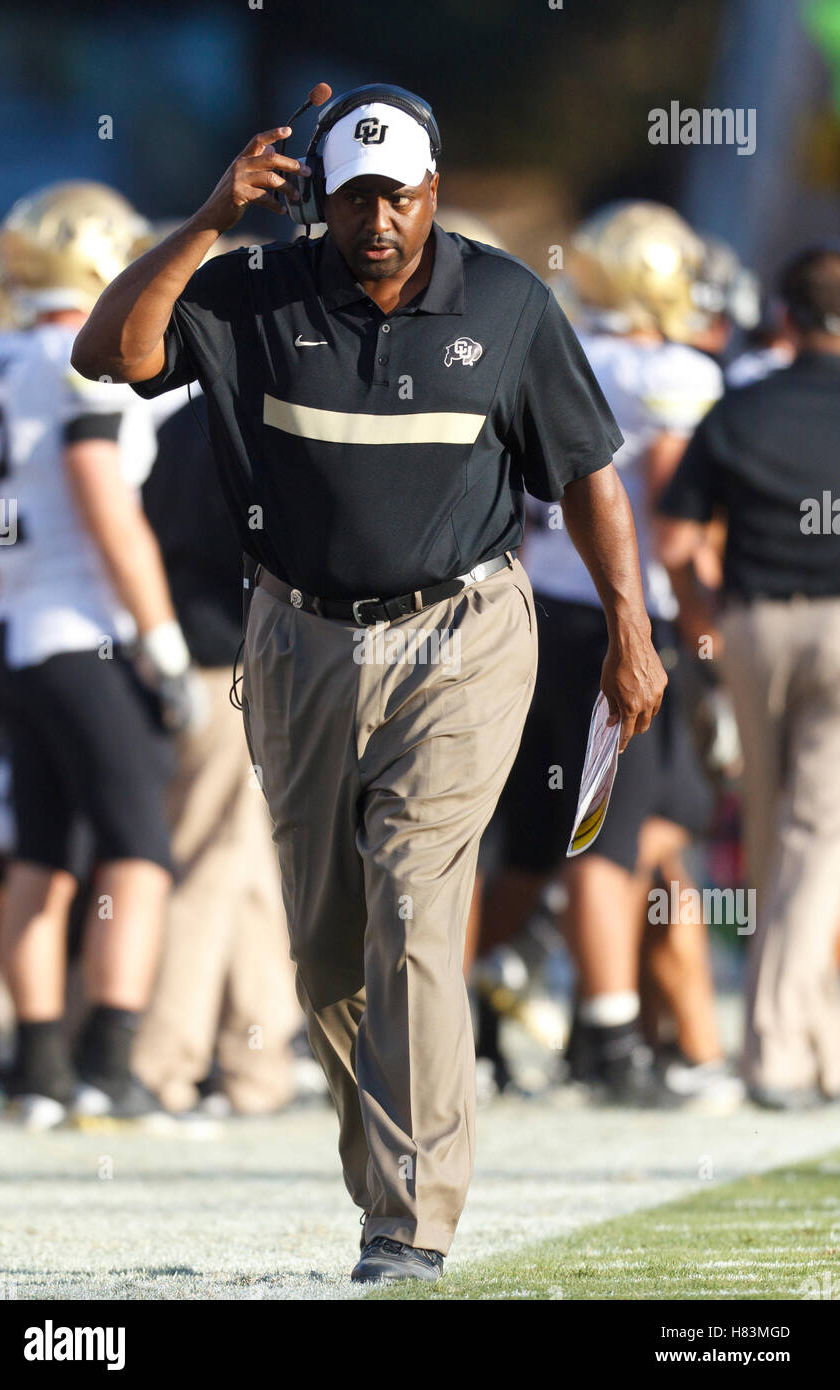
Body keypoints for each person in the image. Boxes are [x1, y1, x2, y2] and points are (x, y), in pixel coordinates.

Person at [71, 82, 665, 1282]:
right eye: (354, 198)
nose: (378, 219)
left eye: (398, 194)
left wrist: (628, 628)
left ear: (432, 189)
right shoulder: (253, 288)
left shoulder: (504, 299)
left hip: (461, 634)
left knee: (410, 900)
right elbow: (109, 353)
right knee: (328, 952)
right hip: (295, 639)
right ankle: (387, 1174)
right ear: (320, 201)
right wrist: (202, 221)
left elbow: (589, 471)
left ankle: (412, 1218)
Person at [477, 202, 742, 1111]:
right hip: (621, 622)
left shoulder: (542, 345)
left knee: (532, 839)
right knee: (608, 839)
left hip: (535, 614)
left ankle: (475, 990)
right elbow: (674, 520)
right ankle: (608, 1035)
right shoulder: (670, 373)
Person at [0, 181, 203, 1129]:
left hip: (10, 632)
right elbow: (103, 501)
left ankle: (37, 1069)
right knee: (137, 849)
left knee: (41, 851)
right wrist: (159, 640)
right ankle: (109, 1062)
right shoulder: (78, 366)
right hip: (84, 631)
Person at [657, 244, 840, 1110]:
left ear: (786, 319)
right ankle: (779, 1050)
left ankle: (813, 1037)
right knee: (814, 836)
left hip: (753, 627)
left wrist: (705, 623)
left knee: (774, 832)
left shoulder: (740, 407)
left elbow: (676, 540)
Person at [133, 390, 301, 1115]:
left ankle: (256, 1066)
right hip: (224, 658)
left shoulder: (177, 424)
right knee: (209, 859)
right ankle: (159, 1061)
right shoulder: (255, 422)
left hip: (196, 652)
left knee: (248, 864)